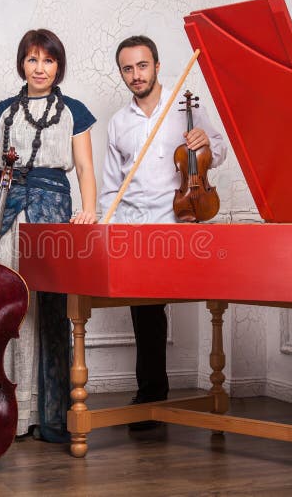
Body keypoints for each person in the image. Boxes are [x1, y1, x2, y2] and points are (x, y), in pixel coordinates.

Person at [99, 35, 227, 429]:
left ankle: (202, 390)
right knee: (146, 310)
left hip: (180, 219)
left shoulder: (185, 106)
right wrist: (108, 227)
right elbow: (109, 185)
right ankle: (151, 393)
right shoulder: (119, 123)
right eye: (128, 68)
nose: (136, 75)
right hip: (137, 226)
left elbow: (218, 150)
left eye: (142, 66)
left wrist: (208, 141)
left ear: (156, 65)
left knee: (211, 296)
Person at [0, 29, 97, 443]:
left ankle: (46, 413)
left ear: (58, 66)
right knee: (9, 307)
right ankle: (8, 410)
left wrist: (90, 209)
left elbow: (84, 169)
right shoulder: (3, 113)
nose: (40, 67)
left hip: (53, 213)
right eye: (32, 59)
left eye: (48, 60)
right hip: (8, 214)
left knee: (48, 309)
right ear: (21, 64)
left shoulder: (74, 112)